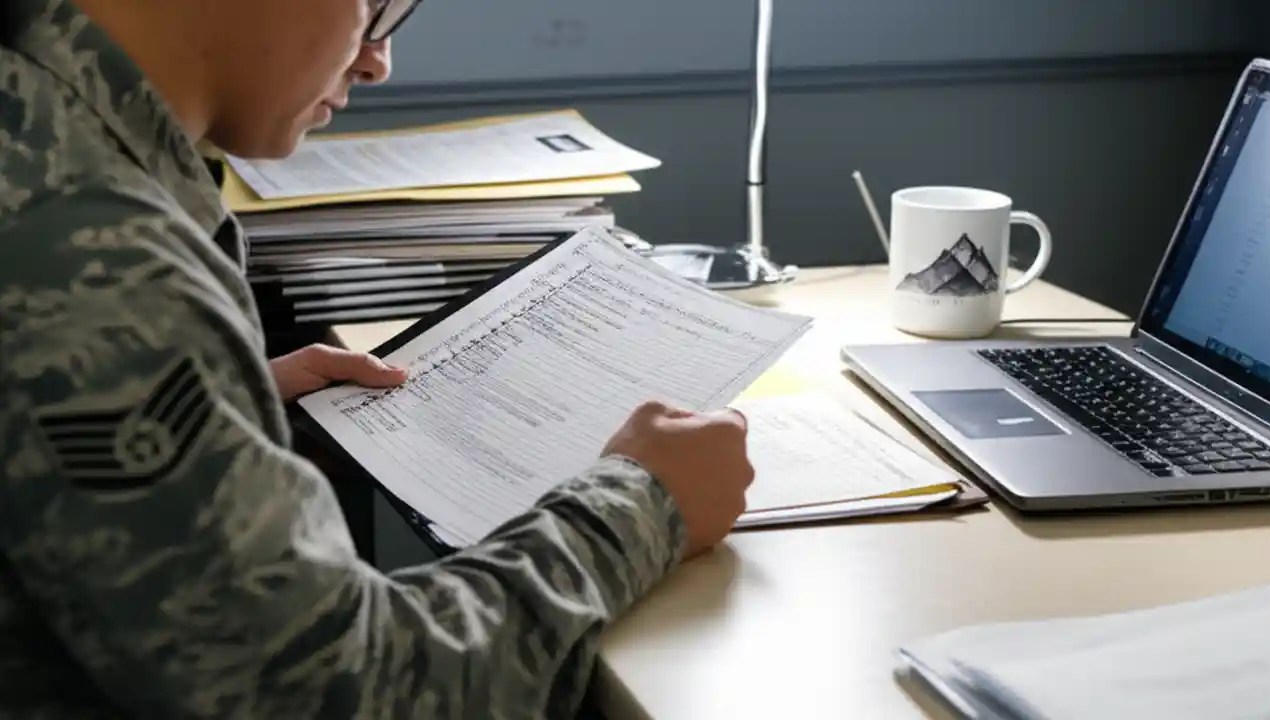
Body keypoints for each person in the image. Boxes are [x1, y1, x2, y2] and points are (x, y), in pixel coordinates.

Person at [0, 0, 755, 717]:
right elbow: (353, 692)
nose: (377, 62)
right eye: (378, 7)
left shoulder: (42, 122)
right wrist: (643, 502)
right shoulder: (94, 252)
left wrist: (222, 400)